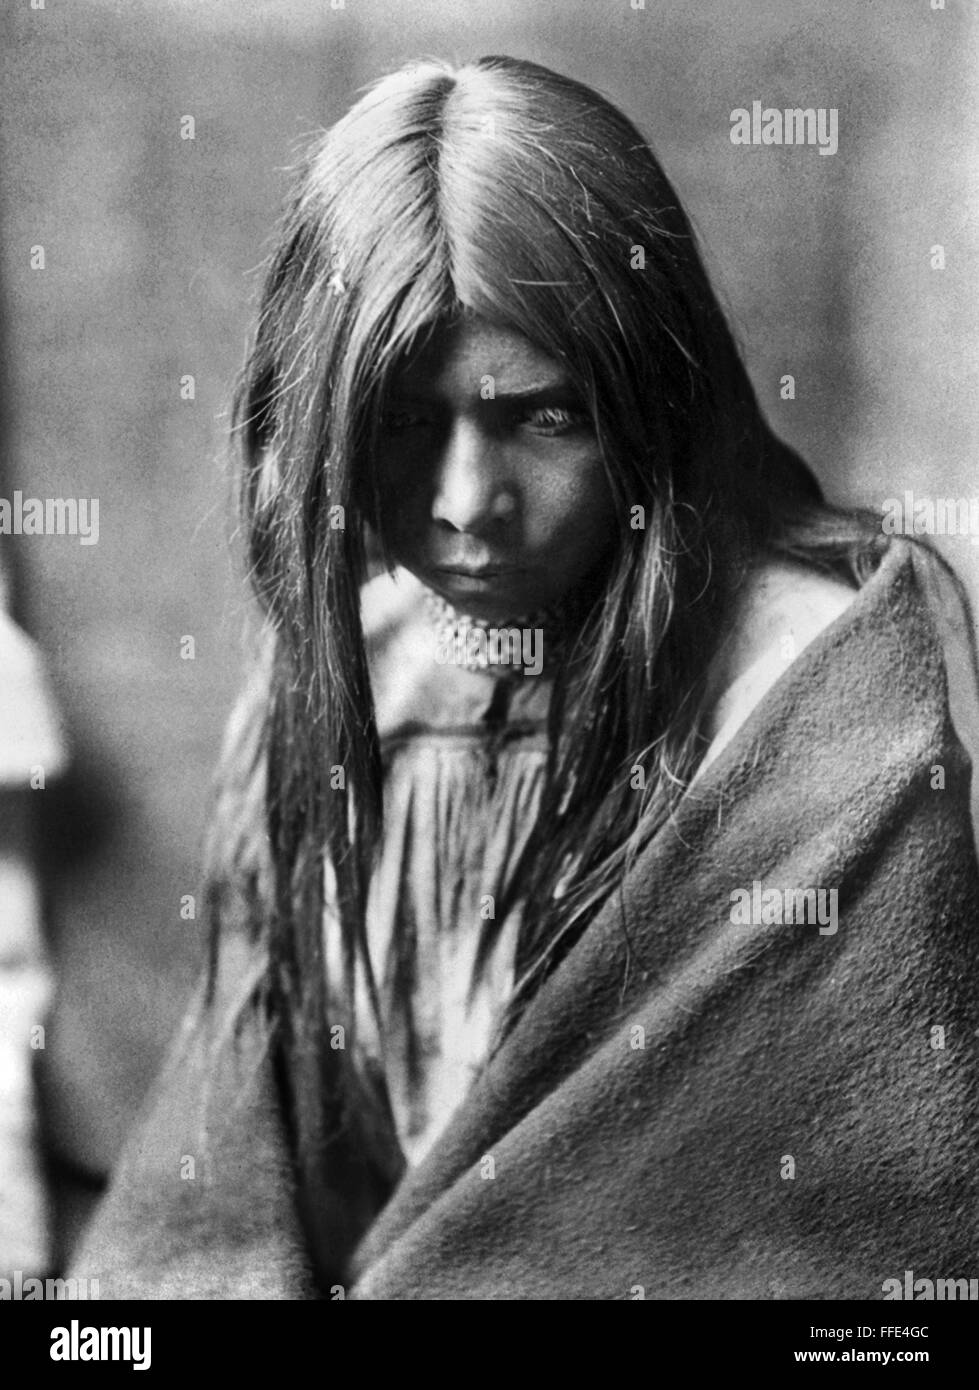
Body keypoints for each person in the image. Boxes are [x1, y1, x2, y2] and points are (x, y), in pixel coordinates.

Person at [69, 55, 979, 1300]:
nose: (464, 508)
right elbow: (228, 1195)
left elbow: (847, 1255)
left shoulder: (816, 707)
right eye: (399, 419)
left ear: (652, 407)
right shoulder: (353, 662)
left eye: (542, 419)